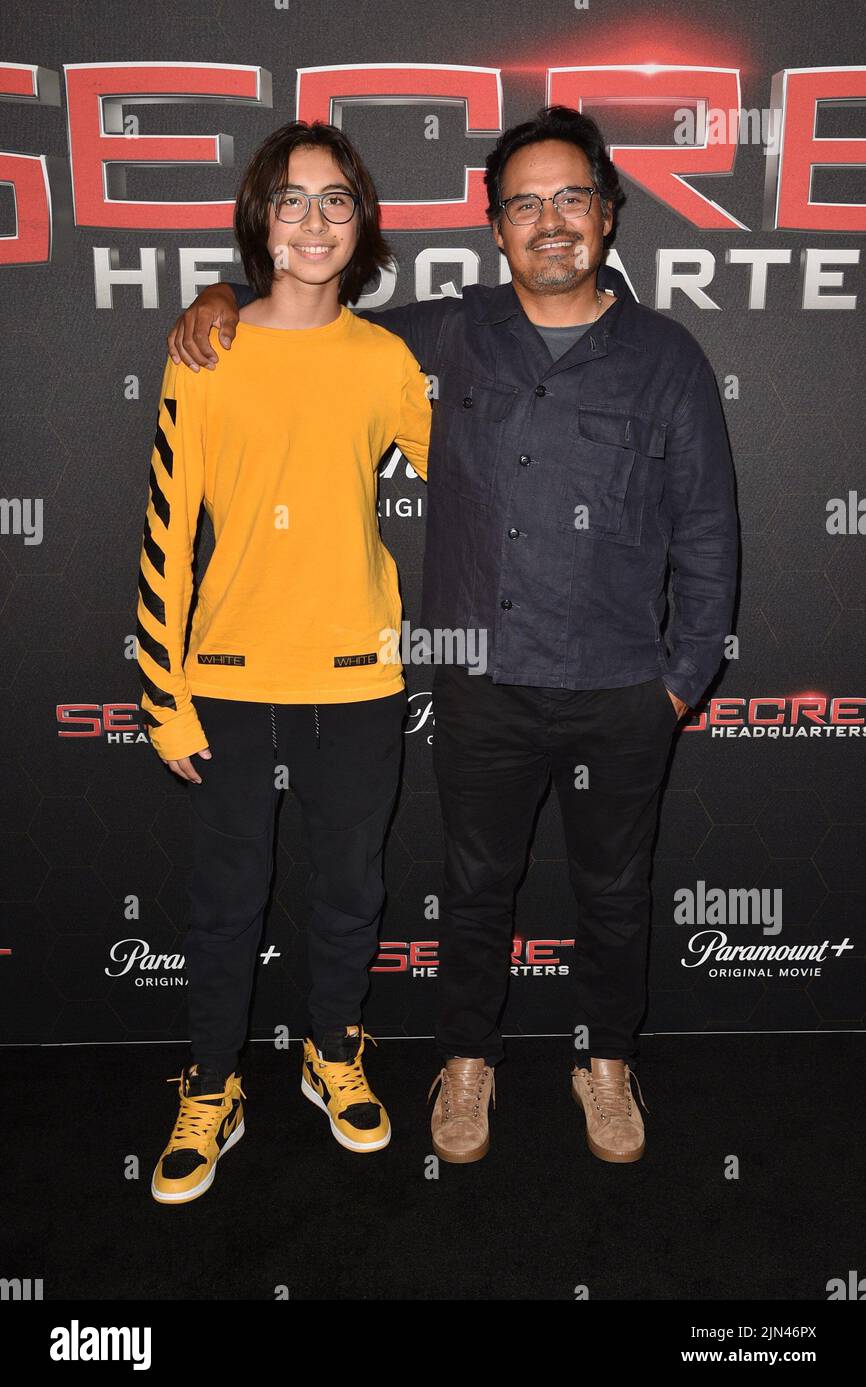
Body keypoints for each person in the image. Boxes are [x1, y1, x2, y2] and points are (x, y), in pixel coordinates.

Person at [167, 105, 739, 1168]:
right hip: (484, 682)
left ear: (606, 216)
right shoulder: (438, 334)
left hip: (623, 685)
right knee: (475, 890)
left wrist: (680, 680)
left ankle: (605, 1063)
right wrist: (222, 299)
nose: (549, 220)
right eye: (523, 203)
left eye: (570, 197)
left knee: (614, 895)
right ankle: (464, 1060)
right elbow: (311, 323)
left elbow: (707, 530)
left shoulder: (665, 358)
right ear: (494, 228)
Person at [136, 119, 431, 1204]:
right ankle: (210, 1086)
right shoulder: (204, 351)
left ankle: (332, 1051)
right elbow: (167, 533)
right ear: (261, 219)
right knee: (226, 900)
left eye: (335, 200)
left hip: (357, 677)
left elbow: (478, 470)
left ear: (362, 224)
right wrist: (161, 699)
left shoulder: (387, 358)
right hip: (227, 679)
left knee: (350, 890)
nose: (313, 220)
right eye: (291, 199)